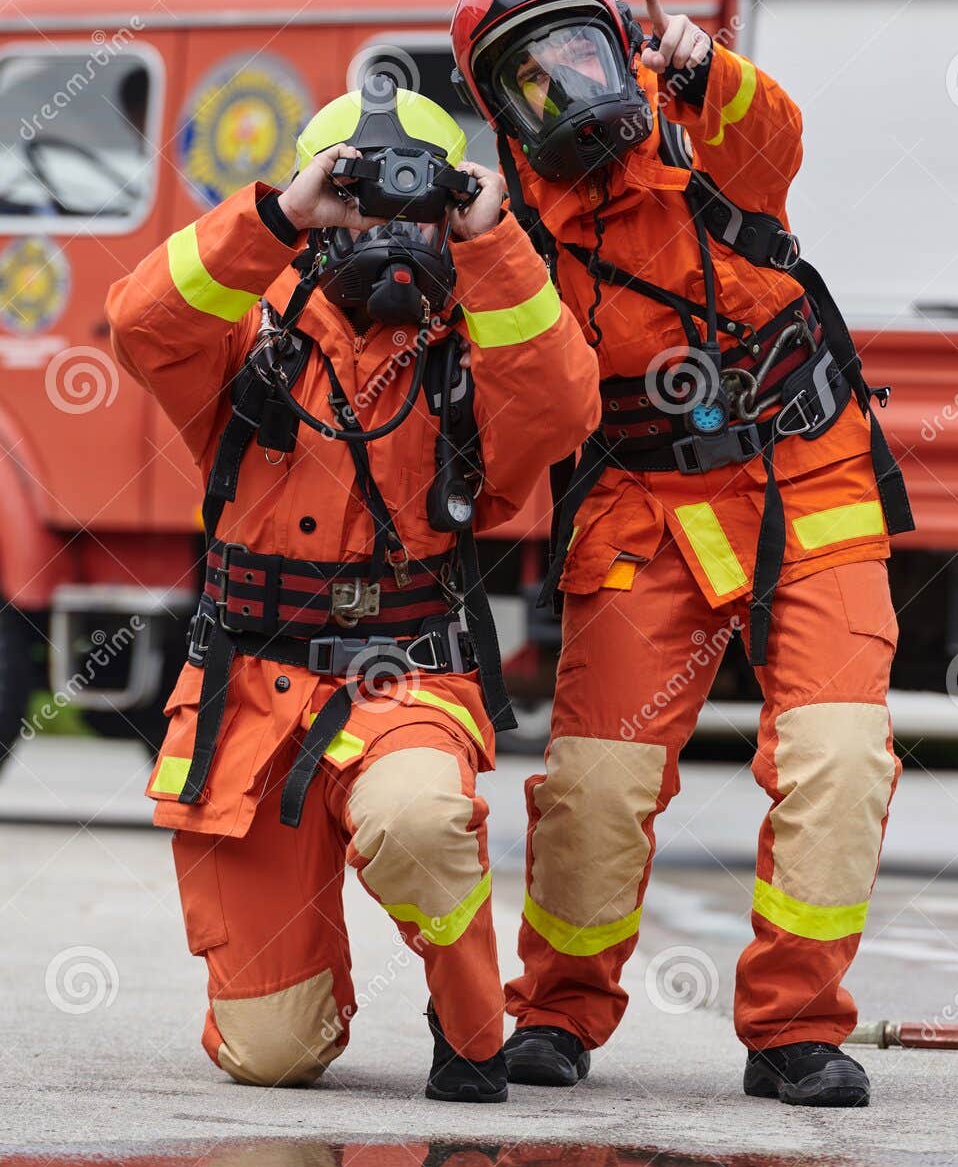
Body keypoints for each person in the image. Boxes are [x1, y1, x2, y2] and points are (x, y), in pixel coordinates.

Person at [451, 0, 912, 1108]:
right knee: (597, 785)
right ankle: (556, 1011)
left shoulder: (702, 123)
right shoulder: (509, 226)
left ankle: (795, 1027)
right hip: (640, 505)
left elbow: (779, 141)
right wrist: (481, 238)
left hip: (805, 476)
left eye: (574, 51)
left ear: (618, 41)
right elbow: (521, 387)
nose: (562, 89)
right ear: (498, 104)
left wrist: (712, 70)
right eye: (529, 76)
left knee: (840, 758)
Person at [107, 77, 600, 1104]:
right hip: (249, 707)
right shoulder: (252, 346)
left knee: (418, 819)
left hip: (403, 686)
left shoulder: (467, 351)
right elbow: (139, 323)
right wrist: (280, 214)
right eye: (362, 199)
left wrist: (492, 238)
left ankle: (469, 1033)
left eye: (412, 208)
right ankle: (307, 997)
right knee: (270, 1056)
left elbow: (562, 405)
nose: (388, 230)